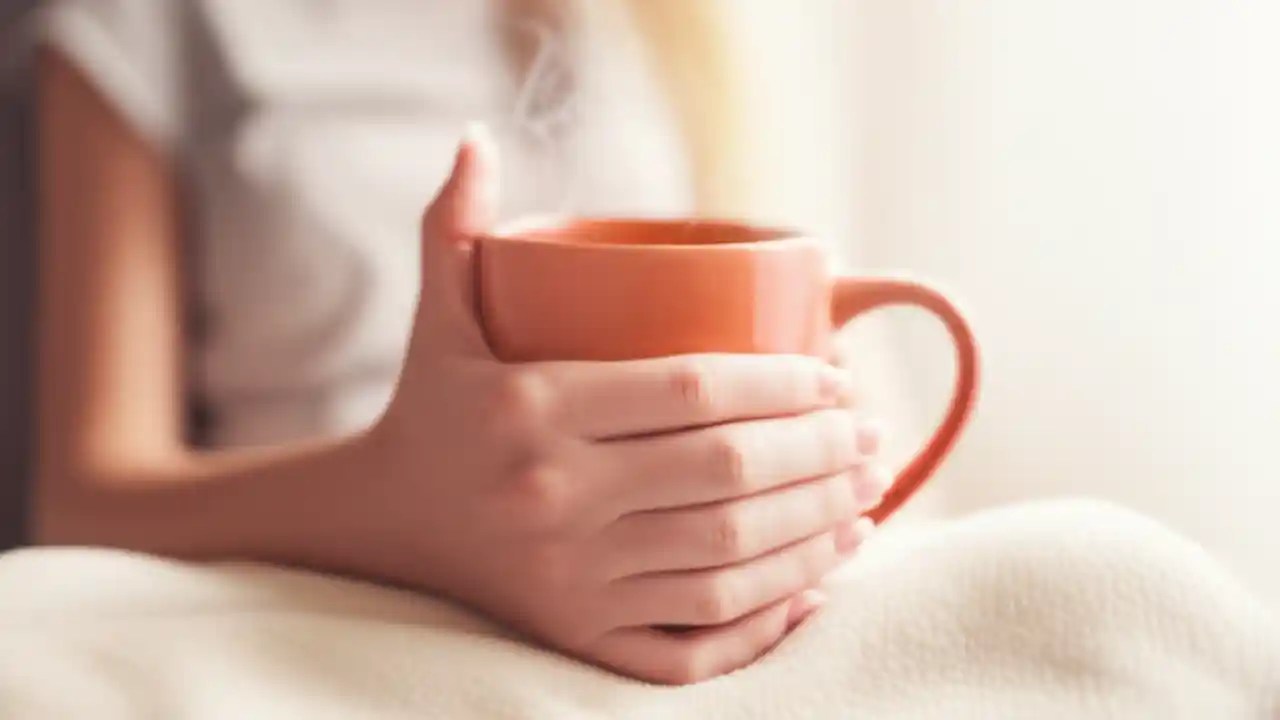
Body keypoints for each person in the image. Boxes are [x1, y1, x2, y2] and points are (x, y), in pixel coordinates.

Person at [33, 0, 889, 684]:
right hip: (314, 607)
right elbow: (82, 500)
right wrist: (392, 502)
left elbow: (818, 338)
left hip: (684, 610)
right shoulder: (147, 19)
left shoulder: (677, 26)